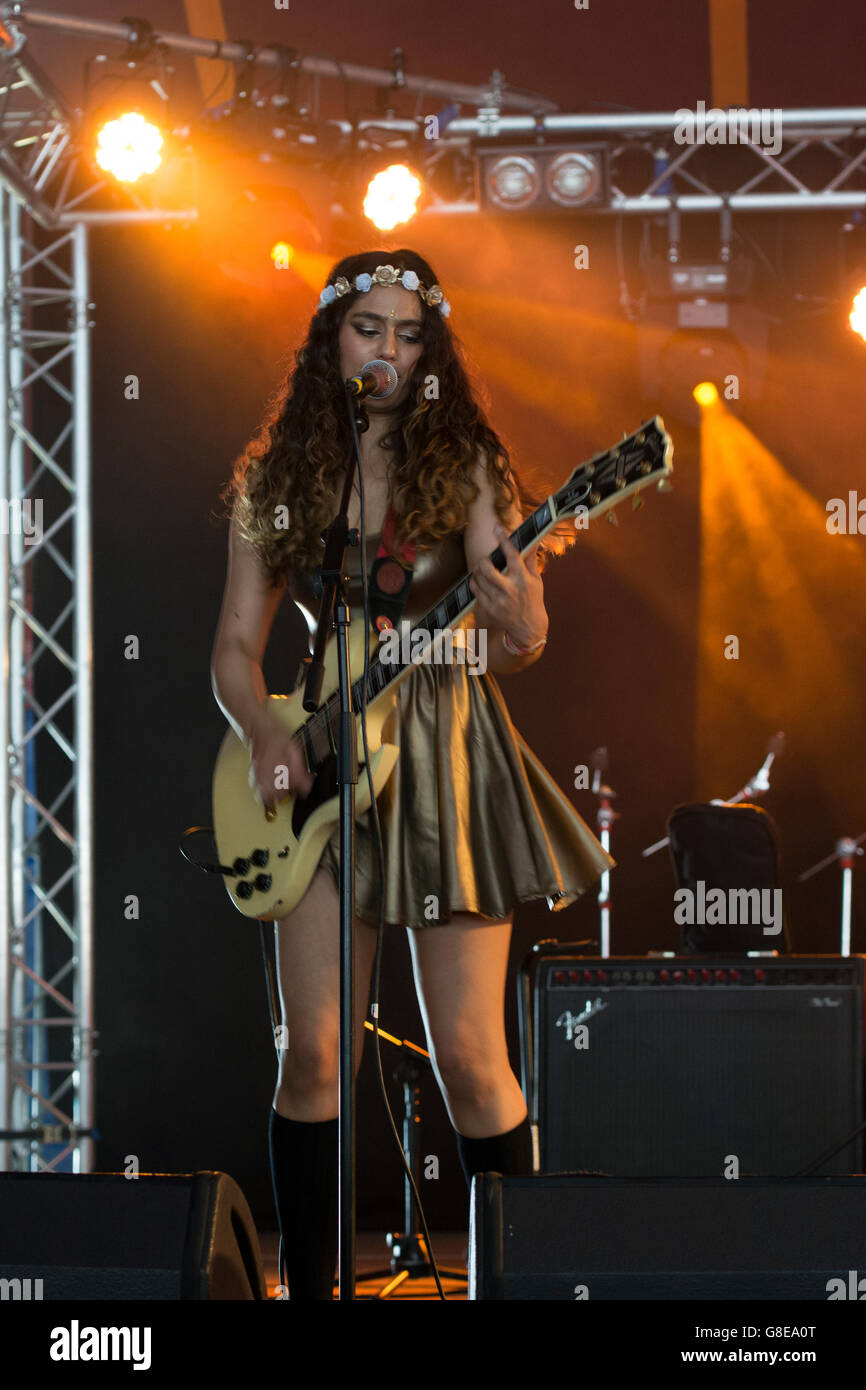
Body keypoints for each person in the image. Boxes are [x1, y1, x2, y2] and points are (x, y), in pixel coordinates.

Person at [211, 249, 613, 1299]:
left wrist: (515, 605)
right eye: (366, 330)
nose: (387, 351)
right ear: (327, 342)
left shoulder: (467, 458)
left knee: (474, 1061)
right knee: (312, 1059)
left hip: (445, 755)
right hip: (321, 761)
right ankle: (306, 1292)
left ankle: (513, 1289)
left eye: (408, 334)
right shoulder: (280, 469)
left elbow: (521, 639)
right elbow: (232, 649)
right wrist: (261, 730)